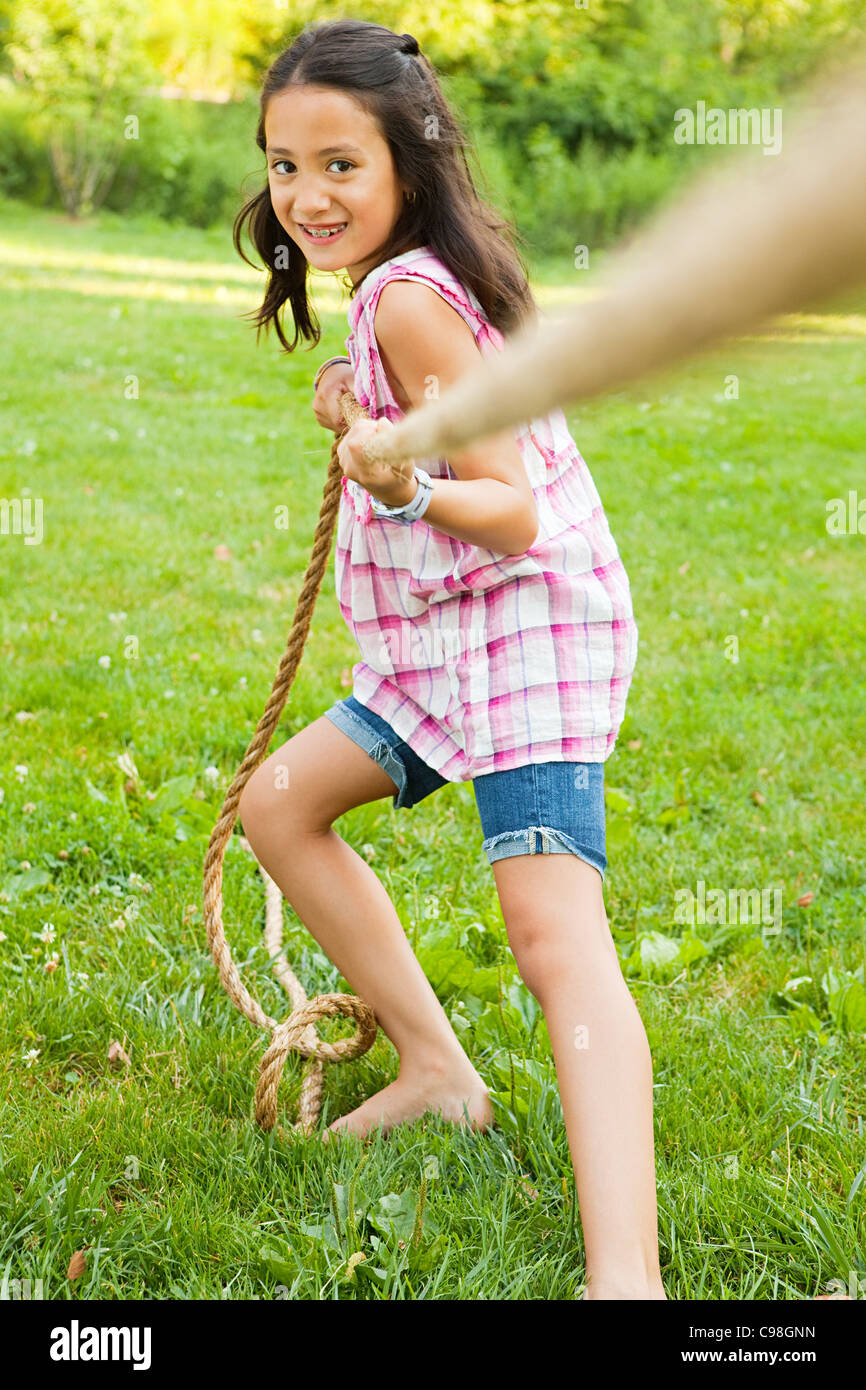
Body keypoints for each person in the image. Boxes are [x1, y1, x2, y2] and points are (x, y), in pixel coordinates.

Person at [234, 17, 663, 1302]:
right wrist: (360, 424)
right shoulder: (393, 291)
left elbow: (511, 508)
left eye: (339, 165)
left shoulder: (409, 294)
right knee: (279, 802)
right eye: (282, 163)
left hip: (524, 625)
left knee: (549, 930)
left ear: (406, 167)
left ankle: (624, 1278)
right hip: (439, 645)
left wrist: (403, 477)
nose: (305, 195)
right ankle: (435, 1072)